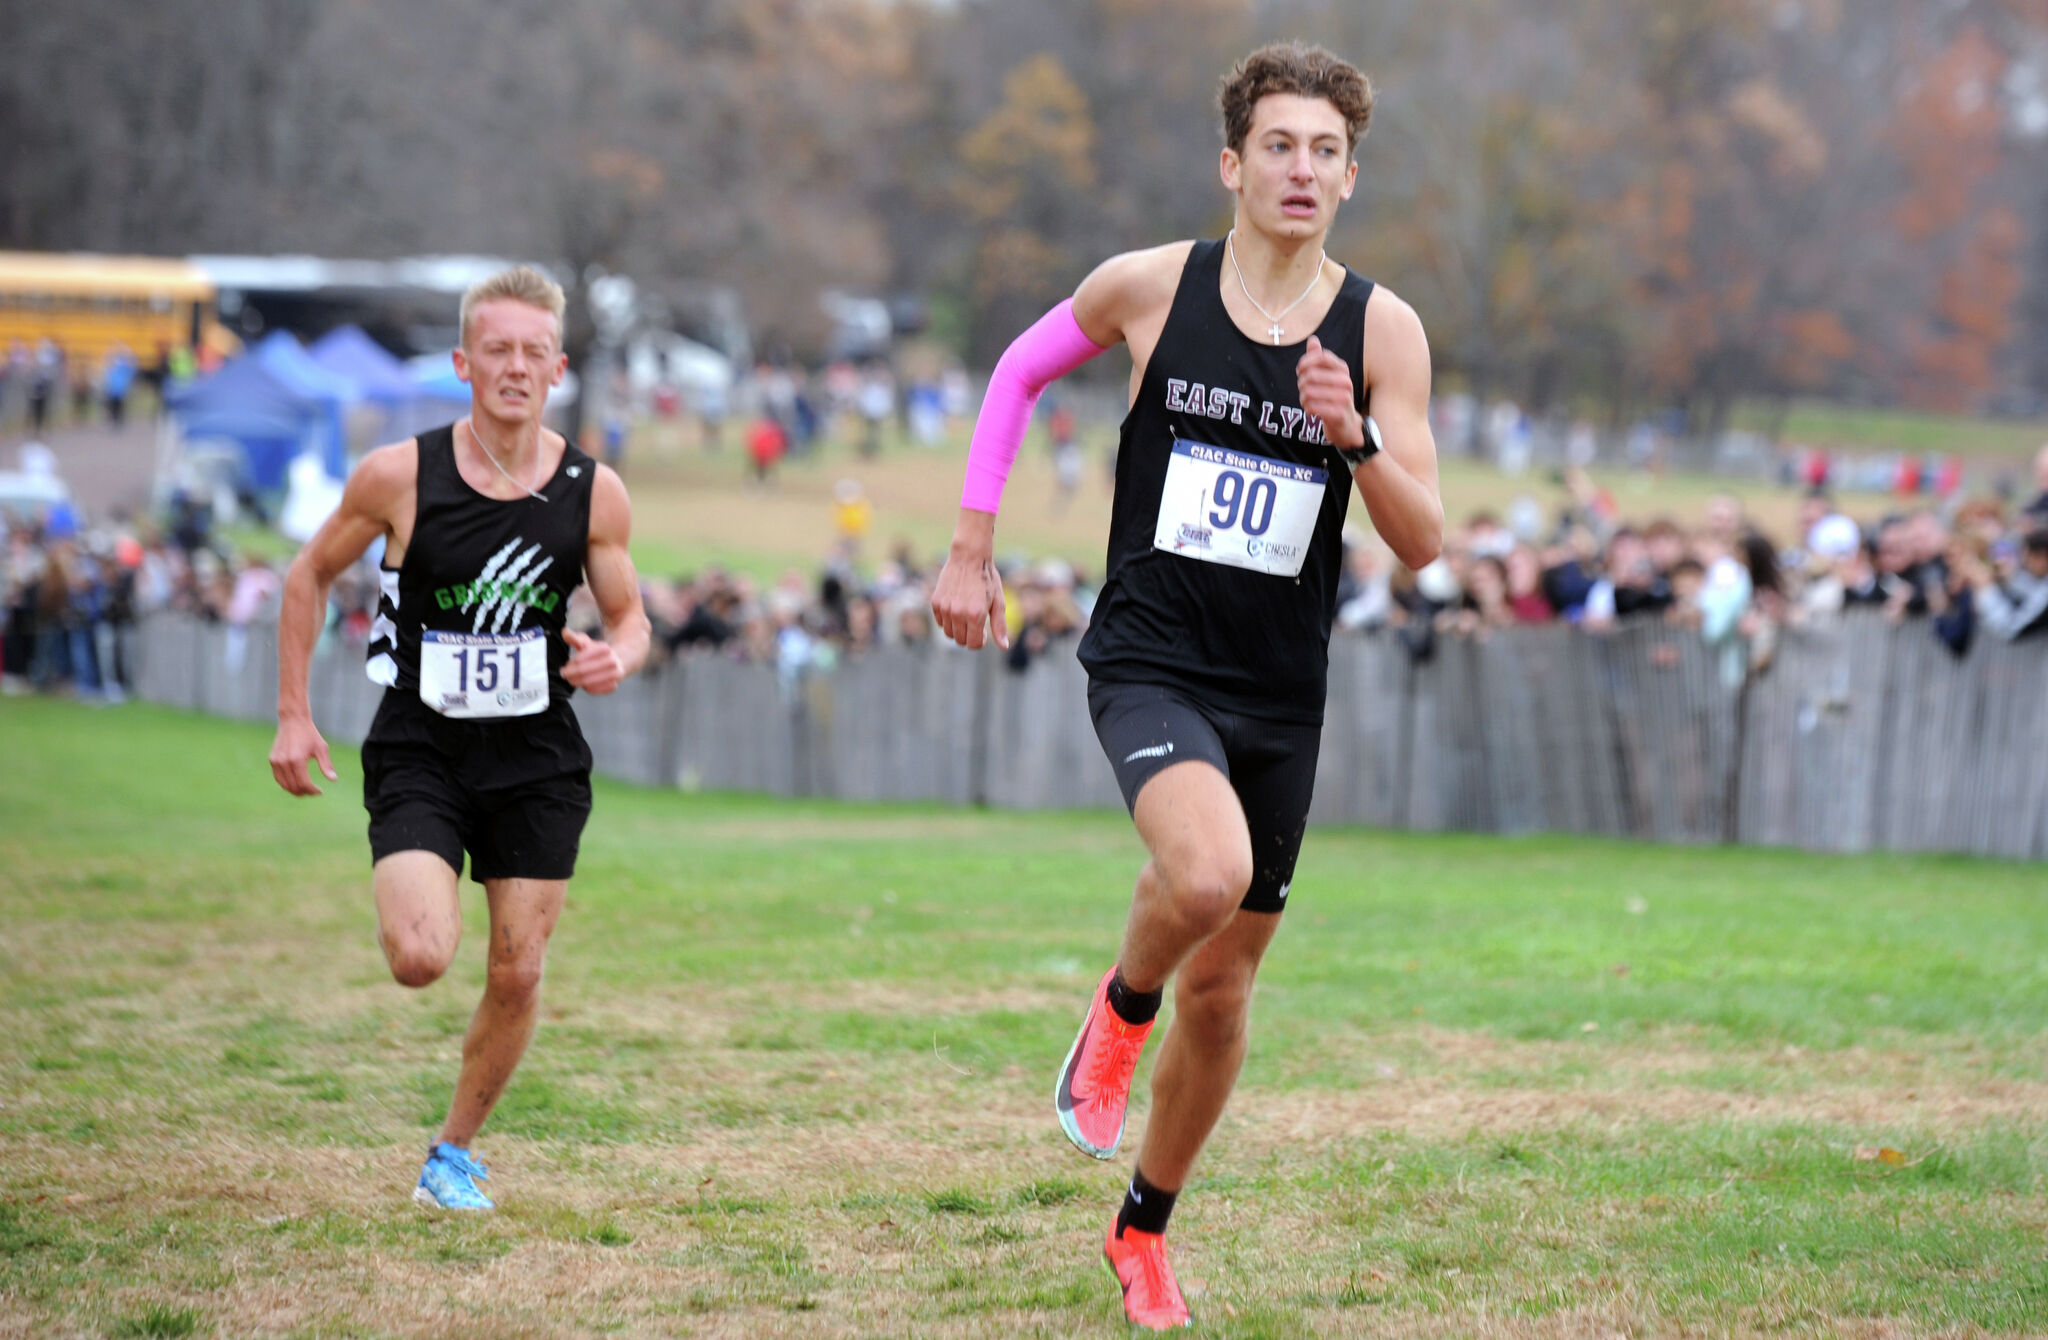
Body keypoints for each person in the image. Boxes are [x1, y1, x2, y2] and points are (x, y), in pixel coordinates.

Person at [930, 41, 1442, 1330]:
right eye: (1278, 145)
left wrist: (1354, 438)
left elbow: (1423, 538)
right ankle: (1116, 1014)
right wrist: (972, 543)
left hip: (1281, 689)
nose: (1300, 170)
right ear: (1231, 163)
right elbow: (1016, 372)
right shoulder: (1152, 287)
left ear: (1349, 177)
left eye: (1325, 152)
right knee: (1204, 876)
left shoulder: (1379, 331)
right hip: (1152, 658)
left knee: (1224, 991)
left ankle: (1142, 1227)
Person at [268, 266, 650, 1212]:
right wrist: (292, 712)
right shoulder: (400, 475)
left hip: (537, 757)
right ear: (463, 362)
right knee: (420, 957)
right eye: (497, 350)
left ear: (557, 368)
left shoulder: (593, 491)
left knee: (518, 969)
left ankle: (452, 1154)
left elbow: (632, 617)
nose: (515, 367)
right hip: (422, 747)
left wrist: (620, 657)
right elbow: (307, 574)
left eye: (533, 352)